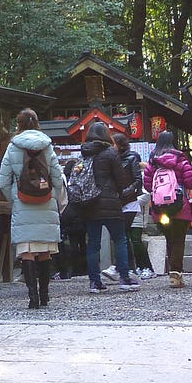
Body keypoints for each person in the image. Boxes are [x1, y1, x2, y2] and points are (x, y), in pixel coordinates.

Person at [0, 108, 66, 308]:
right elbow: (57, 177)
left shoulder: (13, 147)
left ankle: (32, 298)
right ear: (37, 123)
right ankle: (45, 296)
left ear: (18, 124)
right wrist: (51, 194)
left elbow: (3, 180)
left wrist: (15, 197)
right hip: (46, 201)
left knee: (27, 249)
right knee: (44, 249)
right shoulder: (47, 146)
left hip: (23, 201)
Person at [76, 121, 140, 293]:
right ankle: (124, 279)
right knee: (119, 240)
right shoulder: (110, 153)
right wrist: (121, 192)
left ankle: (94, 282)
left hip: (90, 204)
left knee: (93, 244)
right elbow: (121, 179)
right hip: (111, 203)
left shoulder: (85, 153)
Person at [143, 130, 192, 289]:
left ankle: (173, 272)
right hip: (180, 205)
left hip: (160, 208)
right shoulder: (180, 158)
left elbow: (147, 185)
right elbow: (191, 182)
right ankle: (175, 273)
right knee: (179, 239)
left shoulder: (153, 160)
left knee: (169, 239)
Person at [109, 131, 153, 279]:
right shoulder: (114, 161)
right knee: (125, 238)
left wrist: (128, 196)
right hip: (122, 204)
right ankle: (129, 268)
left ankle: (146, 267)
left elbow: (144, 191)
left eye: (113, 143)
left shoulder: (133, 163)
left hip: (134, 207)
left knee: (135, 240)